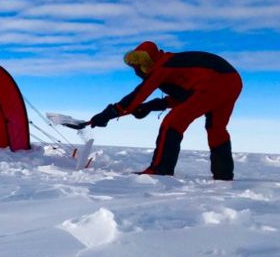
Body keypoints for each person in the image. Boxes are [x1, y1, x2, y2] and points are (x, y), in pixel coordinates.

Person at [89, 41, 242, 180]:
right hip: (232, 81)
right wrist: (150, 106)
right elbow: (186, 96)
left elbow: (138, 94)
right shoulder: (175, 65)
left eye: (138, 66)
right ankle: (224, 175)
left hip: (214, 82)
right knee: (216, 129)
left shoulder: (163, 66)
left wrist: (108, 114)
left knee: (173, 123)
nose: (137, 71)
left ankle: (161, 169)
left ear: (146, 61)